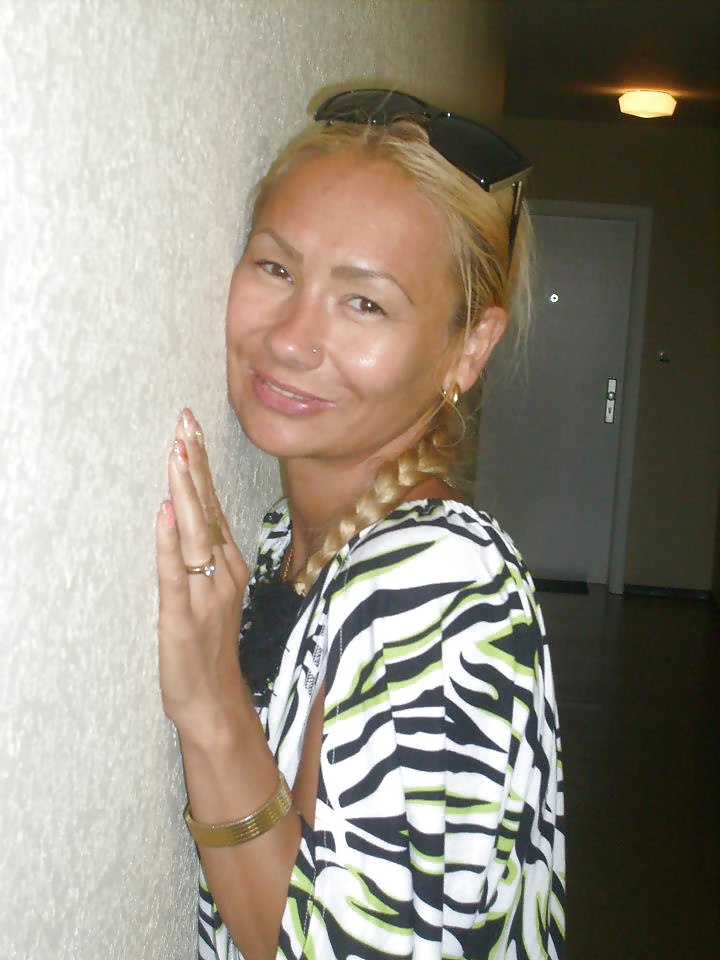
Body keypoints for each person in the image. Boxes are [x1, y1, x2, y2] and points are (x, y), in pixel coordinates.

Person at [155, 89, 565, 960]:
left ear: (469, 348)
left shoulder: (435, 582)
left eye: (365, 303)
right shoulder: (285, 541)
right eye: (276, 268)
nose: (292, 339)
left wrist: (213, 706)